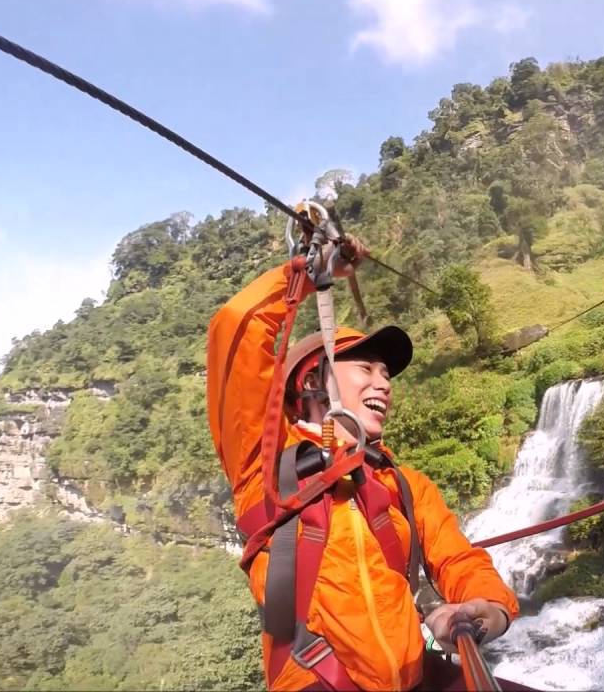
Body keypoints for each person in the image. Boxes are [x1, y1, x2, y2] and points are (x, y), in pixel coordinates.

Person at [206, 234, 529, 691]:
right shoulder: (264, 470)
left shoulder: (401, 482)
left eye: (386, 373)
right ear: (312, 380)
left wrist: (489, 605)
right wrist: (303, 272)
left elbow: (456, 558)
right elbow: (235, 328)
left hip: (412, 677)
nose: (384, 383)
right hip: (318, 678)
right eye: (365, 368)